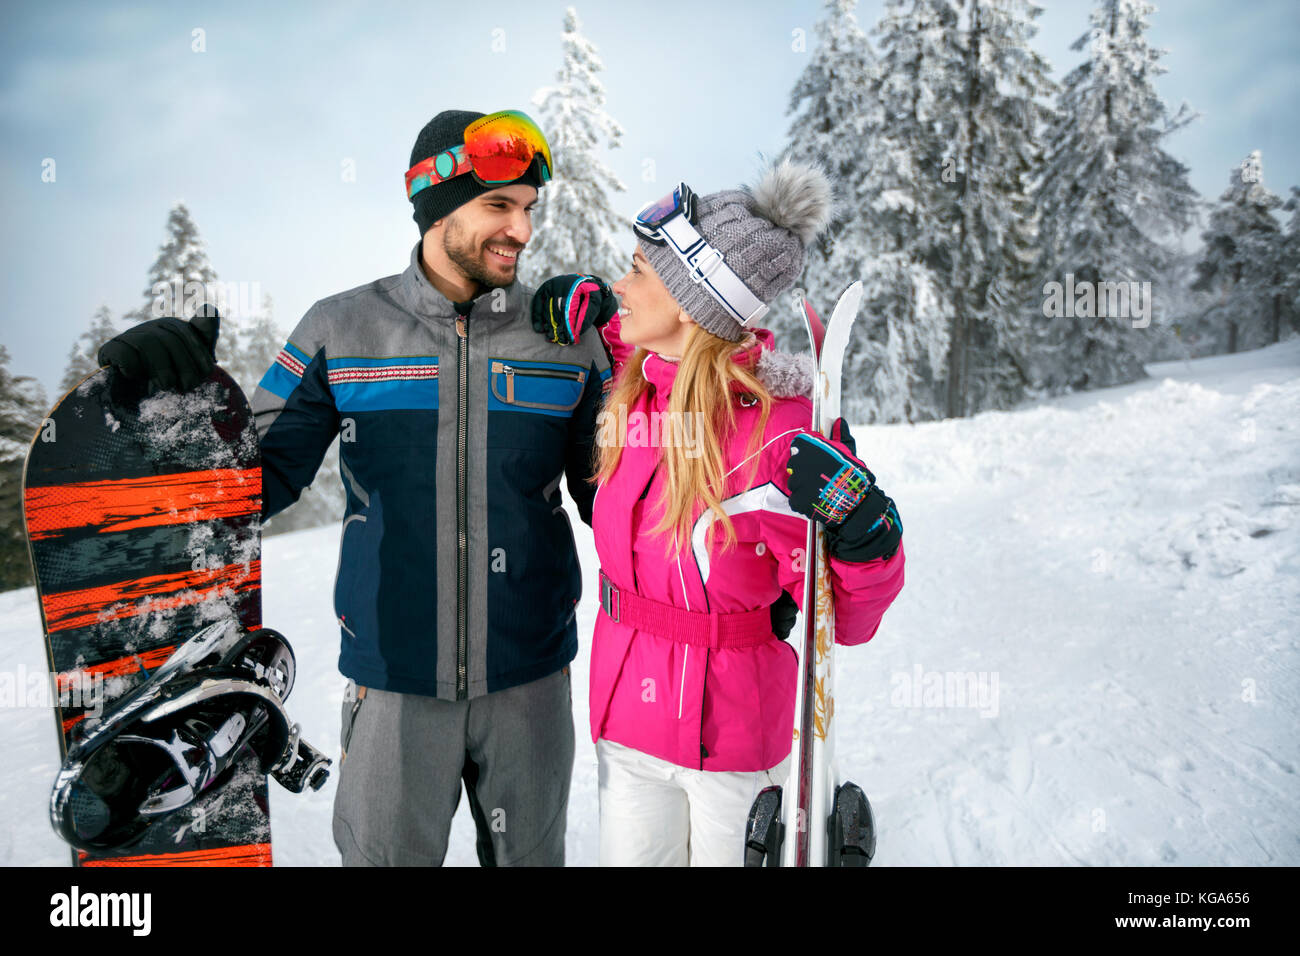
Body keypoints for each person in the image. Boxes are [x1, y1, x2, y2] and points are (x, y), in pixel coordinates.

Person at [98, 108, 615, 866]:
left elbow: (623, 498)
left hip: (530, 682)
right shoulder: (339, 330)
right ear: (436, 205)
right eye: (500, 206)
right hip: (394, 683)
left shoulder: (563, 337)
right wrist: (161, 407)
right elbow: (254, 485)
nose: (523, 231)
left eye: (530, 210)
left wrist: (640, 343)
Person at [532, 159, 905, 865]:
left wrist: (866, 533)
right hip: (627, 727)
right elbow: (650, 349)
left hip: (730, 746)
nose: (620, 286)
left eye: (640, 270)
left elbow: (843, 622)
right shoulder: (637, 390)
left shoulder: (779, 432)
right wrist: (587, 311)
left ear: (690, 302)